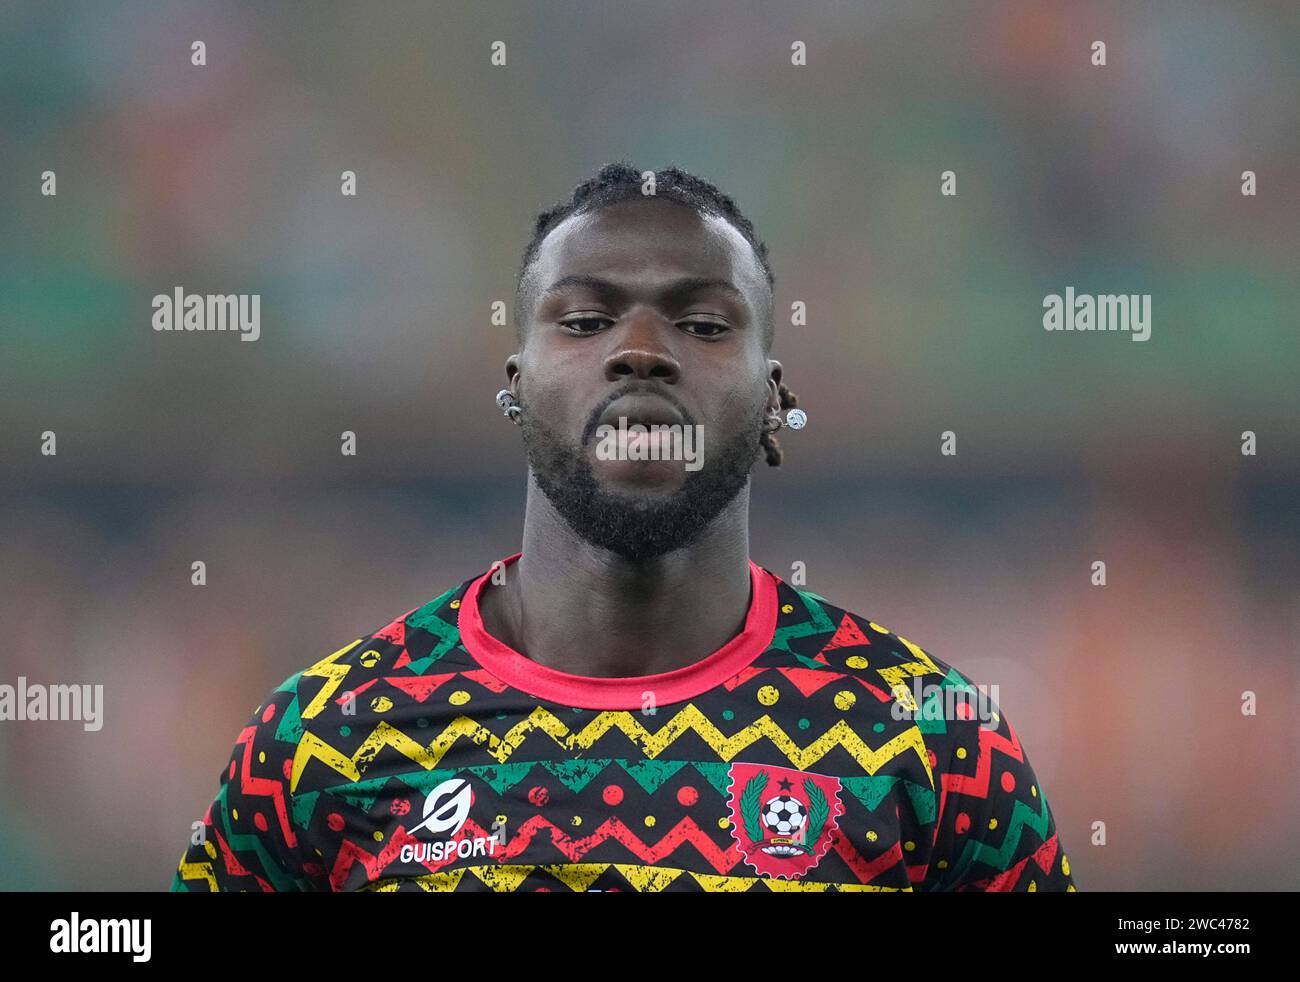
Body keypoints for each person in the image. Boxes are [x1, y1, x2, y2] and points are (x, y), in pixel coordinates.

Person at [171, 162, 1074, 892]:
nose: (641, 349)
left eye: (704, 322)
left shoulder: (933, 741)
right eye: (588, 318)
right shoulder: (323, 740)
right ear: (517, 383)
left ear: (773, 395)